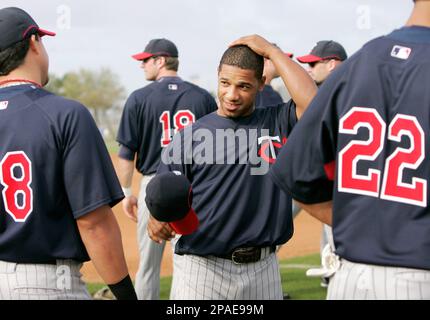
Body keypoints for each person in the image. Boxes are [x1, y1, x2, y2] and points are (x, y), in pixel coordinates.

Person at [271, 0, 430, 300]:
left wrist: (359, 229)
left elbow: (295, 175)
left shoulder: (362, 60)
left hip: (349, 276)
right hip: (420, 275)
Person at [148, 35, 317, 300]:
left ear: (262, 83)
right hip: (202, 270)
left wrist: (271, 52)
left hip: (263, 269)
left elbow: (312, 103)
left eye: (244, 86)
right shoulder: (190, 135)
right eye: (225, 83)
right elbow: (166, 192)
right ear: (217, 75)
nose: (231, 94)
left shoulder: (277, 121)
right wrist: (158, 217)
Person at [0, 7, 136, 300]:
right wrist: (126, 295)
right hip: (44, 284)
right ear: (34, 42)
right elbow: (94, 224)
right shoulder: (65, 114)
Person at [116, 38, 217, 300]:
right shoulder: (202, 97)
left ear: (160, 61)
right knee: (189, 260)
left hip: (154, 186)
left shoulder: (139, 98)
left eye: (145, 60)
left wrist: (127, 191)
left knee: (148, 265)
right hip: (195, 188)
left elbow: (126, 153)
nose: (142, 66)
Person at [296, 40, 347, 288]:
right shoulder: (357, 88)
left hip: (343, 190)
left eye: (313, 64)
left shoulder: (339, 95)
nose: (308, 69)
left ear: (332, 64)